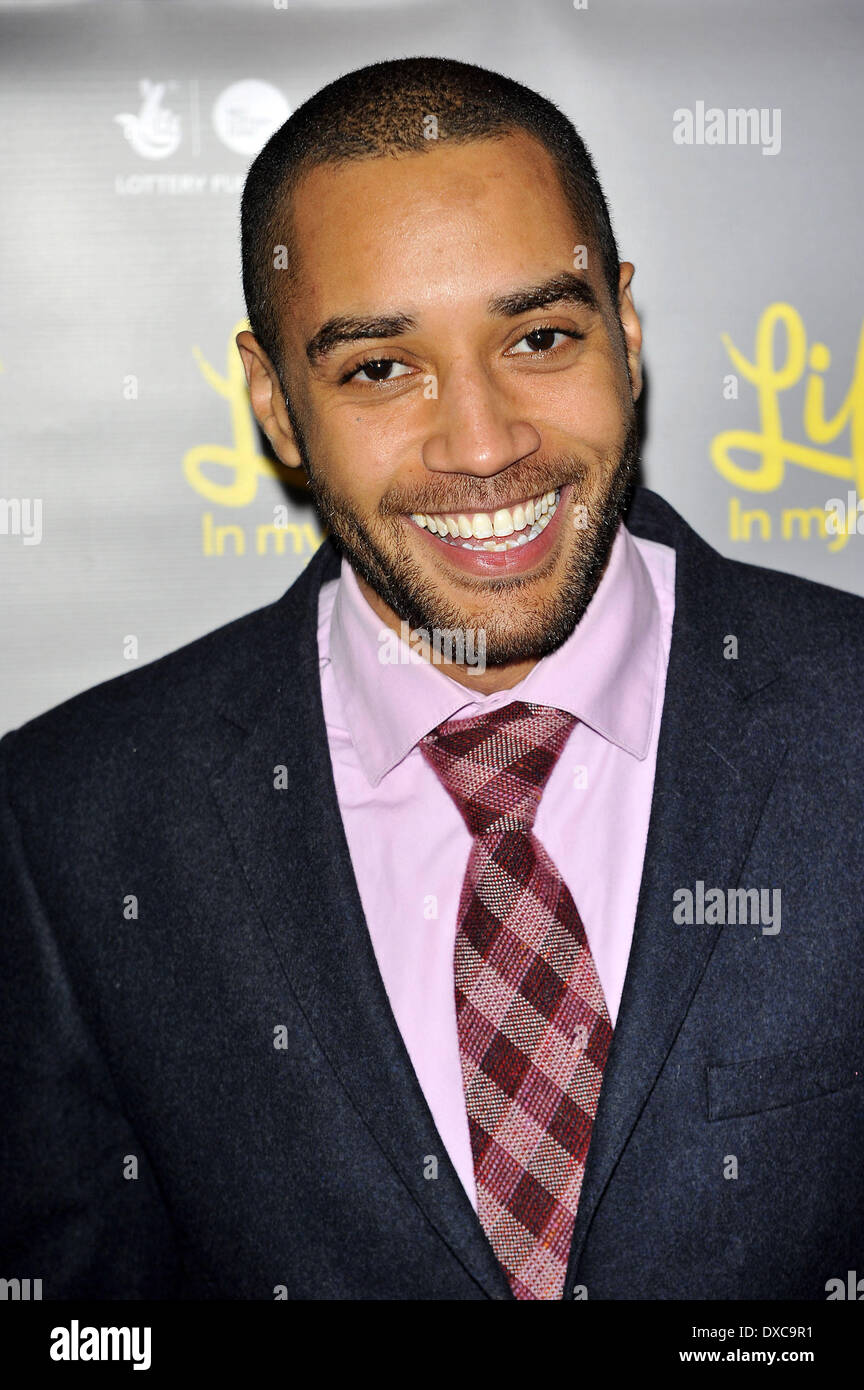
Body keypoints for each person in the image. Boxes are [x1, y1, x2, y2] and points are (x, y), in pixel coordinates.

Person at [1, 56, 862, 1302]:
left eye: (541, 336)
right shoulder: (72, 826)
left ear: (626, 333)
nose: (485, 443)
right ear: (276, 403)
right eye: (379, 368)